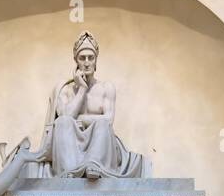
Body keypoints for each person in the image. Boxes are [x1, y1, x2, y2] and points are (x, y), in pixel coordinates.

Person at [36, 32, 148, 179]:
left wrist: (80, 119)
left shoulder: (106, 88)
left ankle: (94, 166)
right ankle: (69, 171)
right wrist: (82, 89)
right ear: (76, 61)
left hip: (100, 145)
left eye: (91, 57)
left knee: (102, 123)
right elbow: (65, 118)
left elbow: (108, 120)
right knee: (63, 122)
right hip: (71, 147)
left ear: (96, 61)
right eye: (82, 58)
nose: (87, 62)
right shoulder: (64, 89)